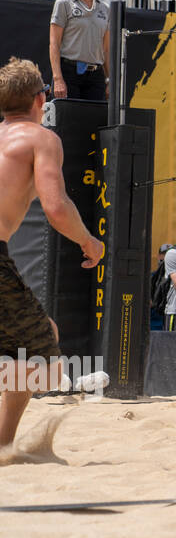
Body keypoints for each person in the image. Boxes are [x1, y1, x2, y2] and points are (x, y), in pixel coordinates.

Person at [0, 58, 104, 446]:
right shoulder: (41, 138)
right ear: (40, 98)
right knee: (39, 351)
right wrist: (88, 241)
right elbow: (56, 207)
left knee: (33, 347)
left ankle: (5, 444)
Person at [50, 0, 111, 101]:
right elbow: (54, 44)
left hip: (96, 75)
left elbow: (106, 49)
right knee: (67, 122)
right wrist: (58, 79)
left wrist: (109, 80)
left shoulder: (105, 8)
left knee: (94, 122)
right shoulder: (63, 3)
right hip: (69, 72)